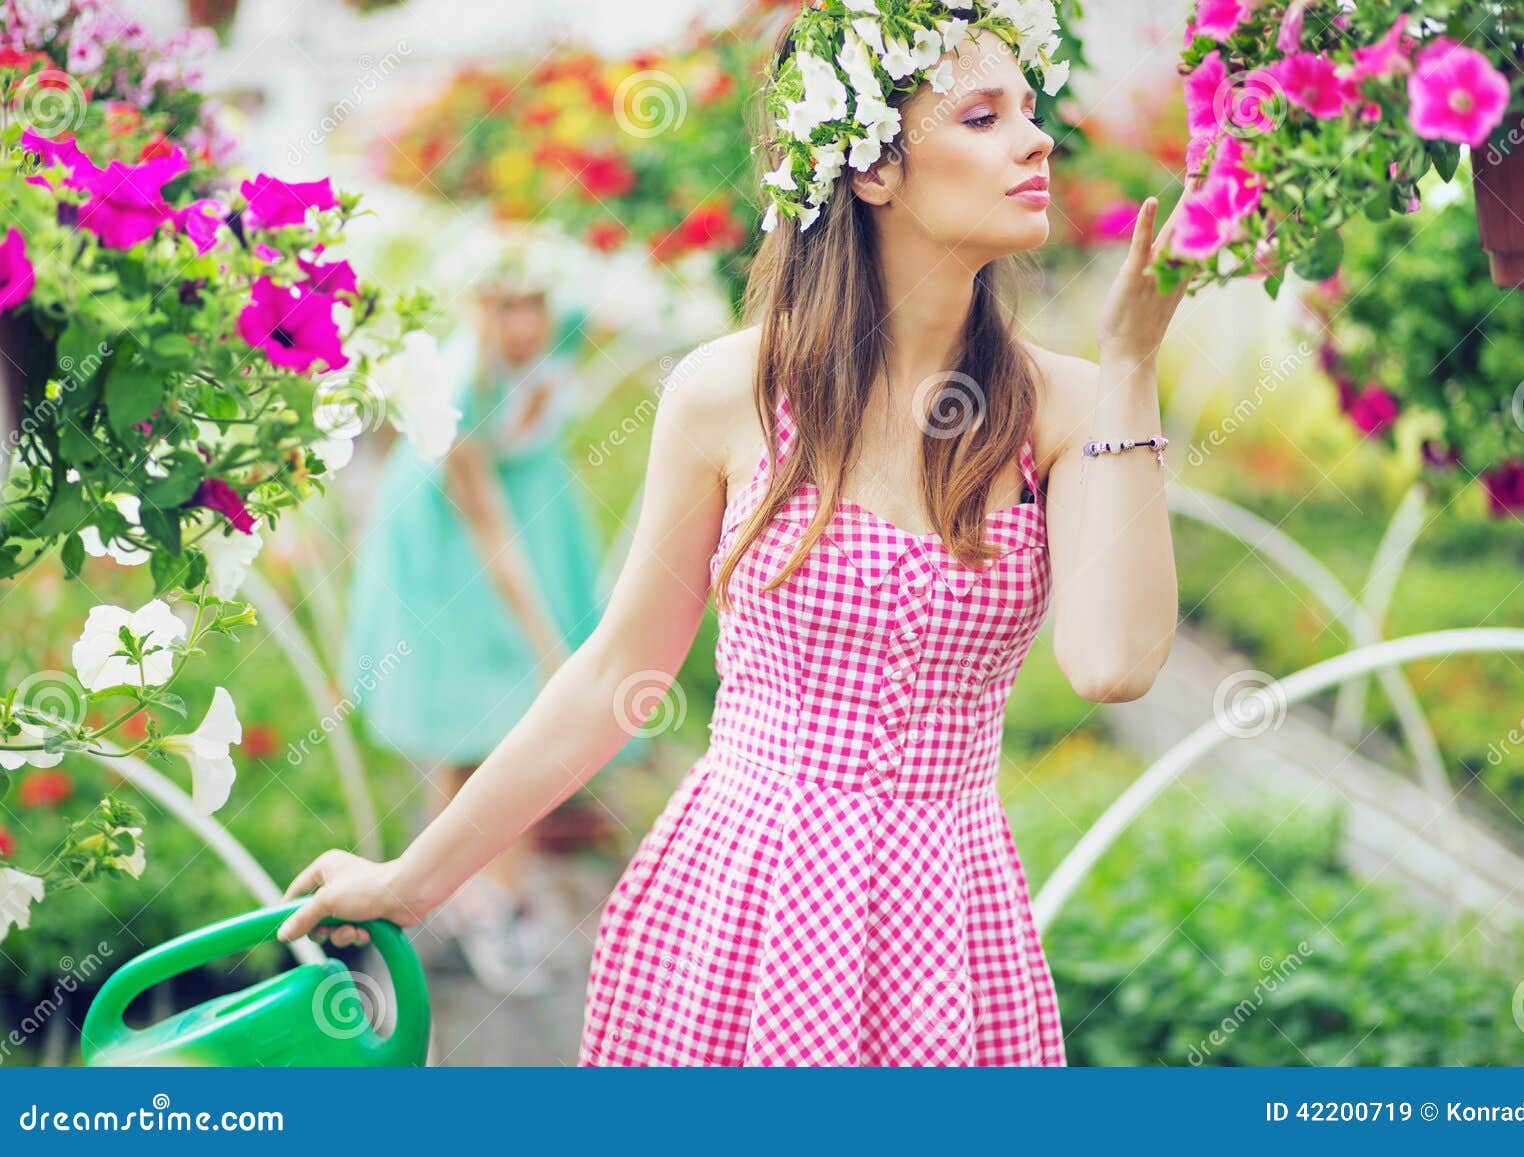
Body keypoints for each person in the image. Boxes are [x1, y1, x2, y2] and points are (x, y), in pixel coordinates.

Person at [279, 4, 1186, 1064]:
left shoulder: (1067, 406)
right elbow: (616, 671)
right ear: (871, 170)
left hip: (947, 916)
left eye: (1031, 112)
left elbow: (1113, 664)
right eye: (984, 116)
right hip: (739, 899)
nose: (1036, 140)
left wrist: (1131, 370)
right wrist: (412, 878)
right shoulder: (731, 392)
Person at [338, 242, 644, 993]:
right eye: (507, 305)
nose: (526, 321)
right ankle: (490, 907)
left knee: (498, 728)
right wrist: (551, 644)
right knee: (496, 725)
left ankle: (461, 900)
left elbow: (614, 305)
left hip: (538, 516)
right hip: (454, 554)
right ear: (479, 308)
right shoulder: (459, 386)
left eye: (534, 302)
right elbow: (491, 535)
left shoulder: (560, 330)